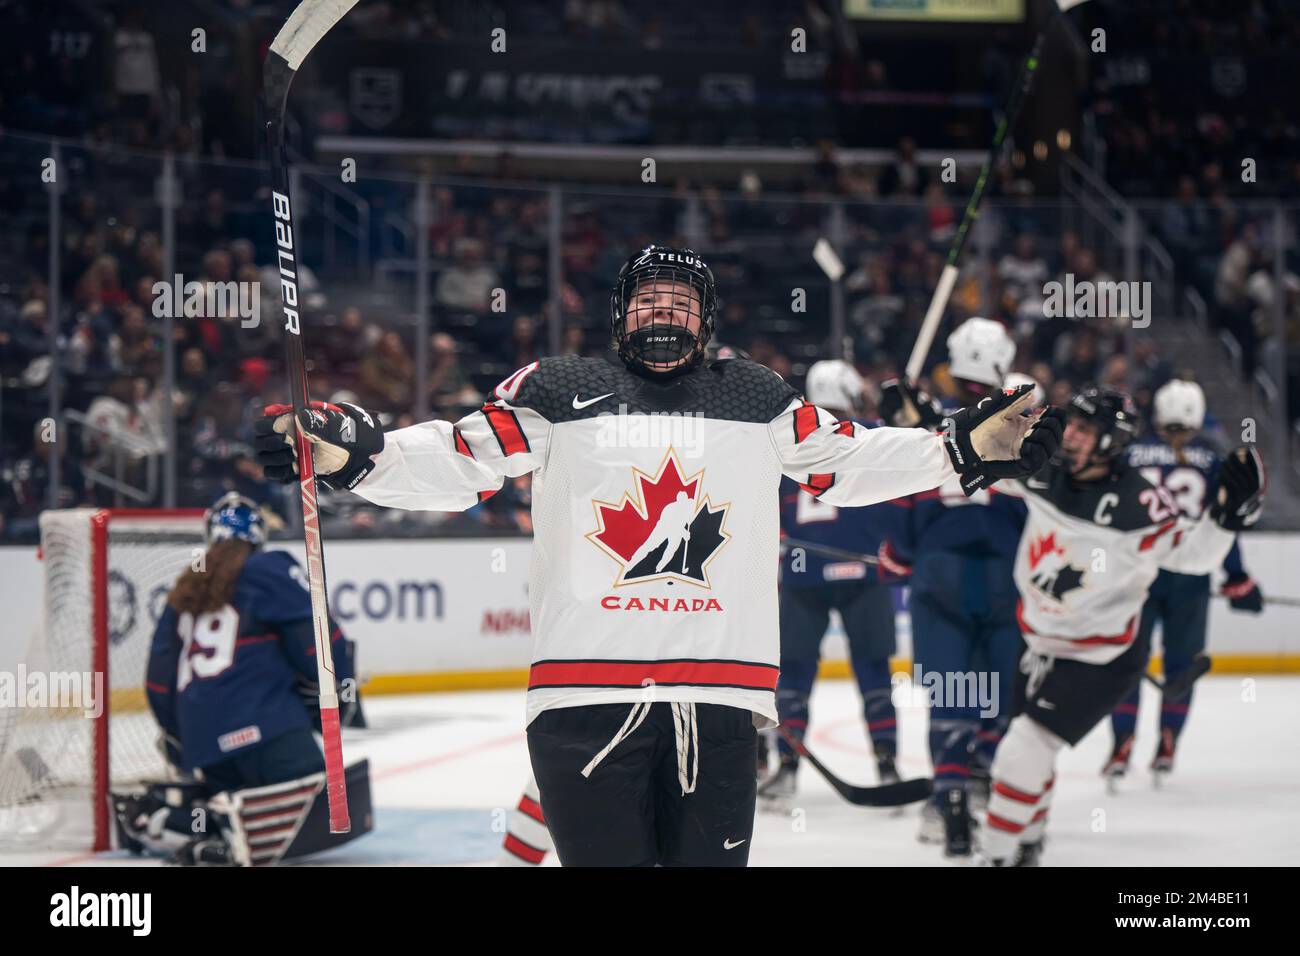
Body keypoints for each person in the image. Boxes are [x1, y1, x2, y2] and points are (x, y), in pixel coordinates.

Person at [254, 244, 1061, 867]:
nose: (663, 313)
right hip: (583, 700)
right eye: (647, 300)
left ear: (706, 318)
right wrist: (358, 456)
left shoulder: (757, 396)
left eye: (680, 301)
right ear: (620, 315)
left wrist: (959, 447)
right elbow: (459, 460)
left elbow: (850, 461)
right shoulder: (556, 390)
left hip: (719, 698)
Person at [979, 386, 1264, 866]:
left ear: (1114, 440)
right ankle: (1028, 839)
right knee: (1032, 752)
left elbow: (1194, 557)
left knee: (1021, 751)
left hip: (1097, 661)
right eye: (1075, 425)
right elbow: (975, 466)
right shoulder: (1045, 467)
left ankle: (996, 857)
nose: (1071, 437)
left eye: (1088, 431)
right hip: (1037, 643)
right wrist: (947, 426)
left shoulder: (1141, 503)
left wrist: (1226, 519)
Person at [117, 493, 365, 865]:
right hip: (268, 730)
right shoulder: (269, 567)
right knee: (320, 806)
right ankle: (211, 822)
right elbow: (319, 639)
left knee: (228, 810)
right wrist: (339, 695)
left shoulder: (186, 586)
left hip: (206, 746)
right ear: (259, 536)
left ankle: (171, 819)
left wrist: (179, 735)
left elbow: (158, 680)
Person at [879, 318, 1030, 857]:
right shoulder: (1024, 425)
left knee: (950, 692)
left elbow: (901, 518)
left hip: (939, 572)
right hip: (1003, 575)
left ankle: (949, 799)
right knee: (999, 691)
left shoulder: (925, 430)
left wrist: (897, 559)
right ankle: (986, 778)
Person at [761, 359, 908, 806]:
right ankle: (886, 763)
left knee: (796, 674)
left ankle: (786, 767)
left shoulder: (788, 438)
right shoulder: (868, 433)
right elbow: (897, 498)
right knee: (873, 672)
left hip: (805, 572)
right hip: (863, 571)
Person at [1104, 379, 1263, 786]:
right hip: (1191, 573)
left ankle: (1122, 742)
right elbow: (1223, 524)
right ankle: (1169, 739)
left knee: (1126, 660)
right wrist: (1237, 577)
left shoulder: (1131, 452)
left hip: (1139, 569)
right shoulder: (1212, 456)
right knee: (1183, 664)